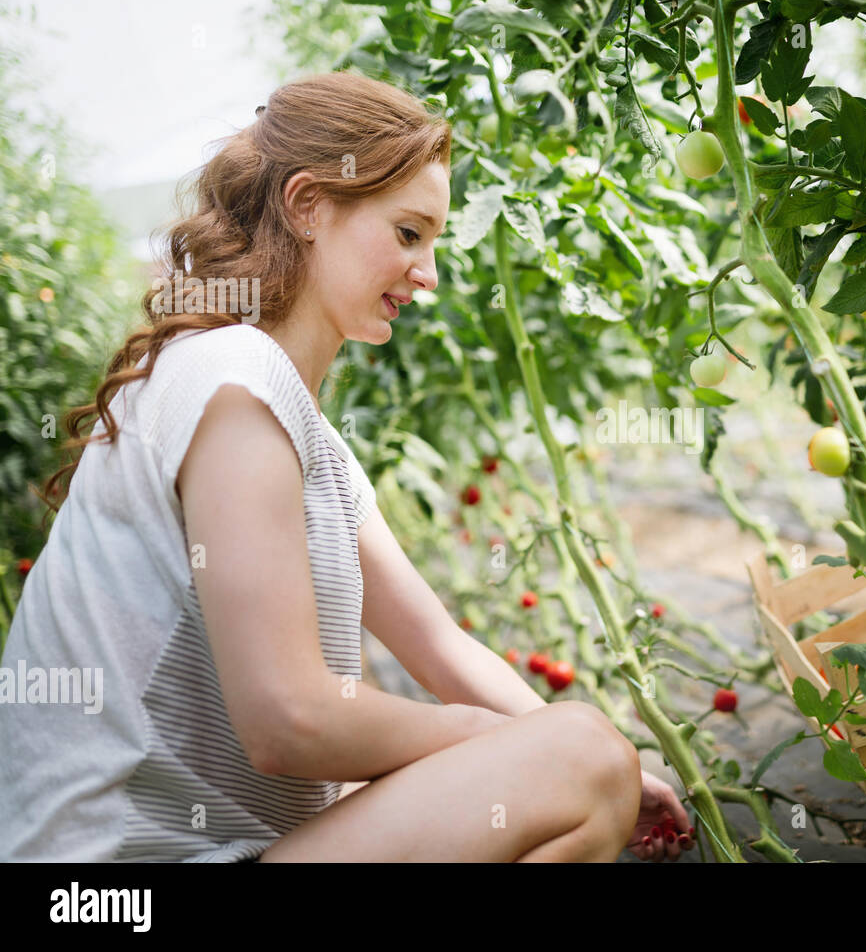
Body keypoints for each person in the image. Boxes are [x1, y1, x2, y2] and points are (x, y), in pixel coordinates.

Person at [0, 71, 691, 862]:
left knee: (583, 759)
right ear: (307, 206)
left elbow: (435, 641)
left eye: (434, 243)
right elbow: (289, 720)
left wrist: (592, 761)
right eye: (407, 234)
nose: (428, 273)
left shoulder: (294, 425)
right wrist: (523, 744)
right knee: (578, 757)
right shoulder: (233, 382)